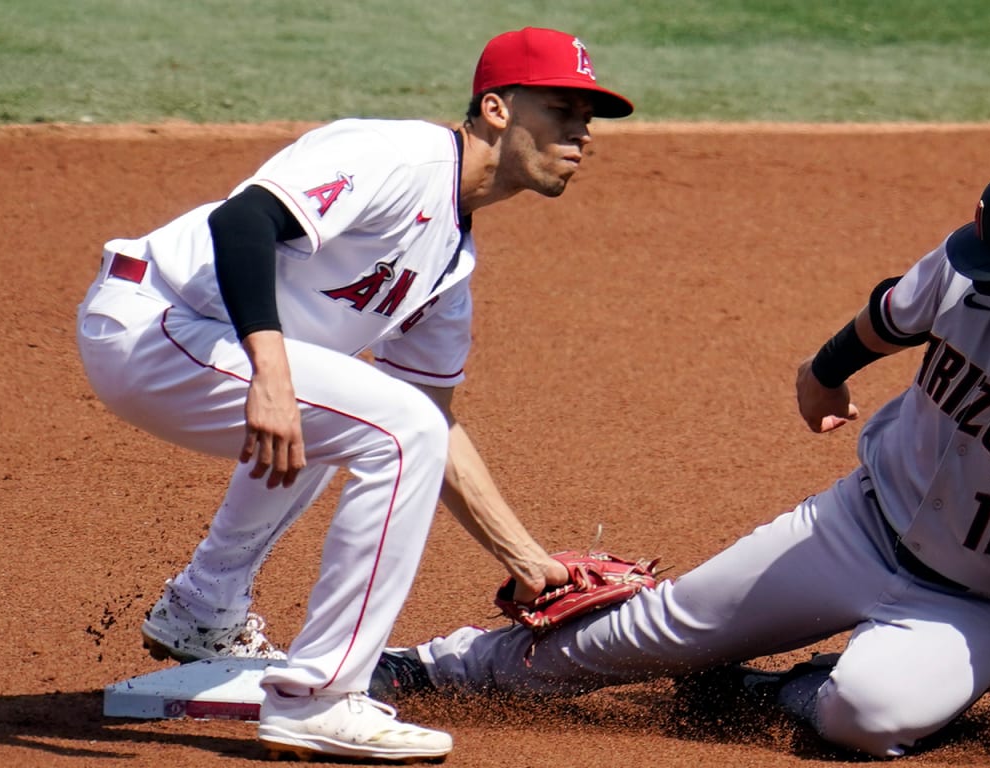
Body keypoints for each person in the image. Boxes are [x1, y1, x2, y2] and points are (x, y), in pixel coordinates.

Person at [373, 158, 990, 767]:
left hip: (976, 603)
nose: (989, 284)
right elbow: (891, 317)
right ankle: (428, 665)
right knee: (647, 634)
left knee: (865, 718)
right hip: (854, 526)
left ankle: (770, 691)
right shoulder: (977, 274)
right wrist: (824, 374)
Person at [74, 26, 634, 763]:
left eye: (587, 119)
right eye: (562, 109)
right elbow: (241, 220)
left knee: (374, 414)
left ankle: (203, 608)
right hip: (154, 322)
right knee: (385, 422)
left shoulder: (450, 263)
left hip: (199, 339)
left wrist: (528, 563)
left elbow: (432, 418)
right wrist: (271, 373)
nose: (580, 134)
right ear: (497, 109)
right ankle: (322, 698)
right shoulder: (398, 156)